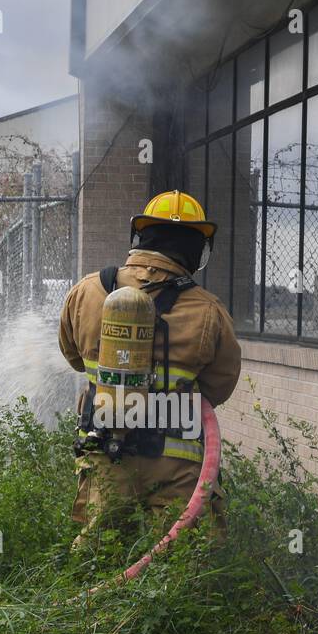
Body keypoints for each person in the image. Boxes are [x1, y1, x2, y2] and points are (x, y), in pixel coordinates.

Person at [58, 190, 242, 541]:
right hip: (178, 463)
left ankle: (91, 597)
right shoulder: (209, 311)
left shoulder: (86, 292)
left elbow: (74, 358)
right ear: (195, 249)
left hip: (106, 451)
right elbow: (219, 387)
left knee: (98, 554)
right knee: (183, 561)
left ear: (141, 237)